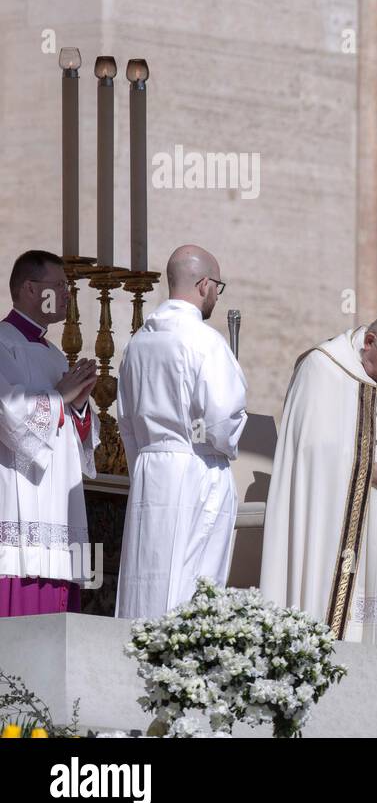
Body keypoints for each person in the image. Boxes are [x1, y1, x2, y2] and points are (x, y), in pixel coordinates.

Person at [260, 311, 377, 647]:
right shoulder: (323, 367)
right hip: (337, 511)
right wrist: (370, 470)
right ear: (369, 341)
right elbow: (310, 452)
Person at [116, 245, 248, 618]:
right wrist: (227, 442)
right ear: (205, 284)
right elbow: (221, 421)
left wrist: (144, 459)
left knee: (147, 575)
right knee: (191, 579)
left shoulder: (137, 343)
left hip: (150, 469)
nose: (216, 296)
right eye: (217, 287)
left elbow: (126, 420)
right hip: (196, 469)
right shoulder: (205, 341)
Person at [0, 250, 97, 616]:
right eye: (58, 286)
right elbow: (8, 412)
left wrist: (80, 405)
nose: (67, 295)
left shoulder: (55, 354)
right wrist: (60, 397)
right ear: (30, 288)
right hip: (21, 492)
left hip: (59, 499)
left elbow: (72, 431)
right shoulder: (3, 344)